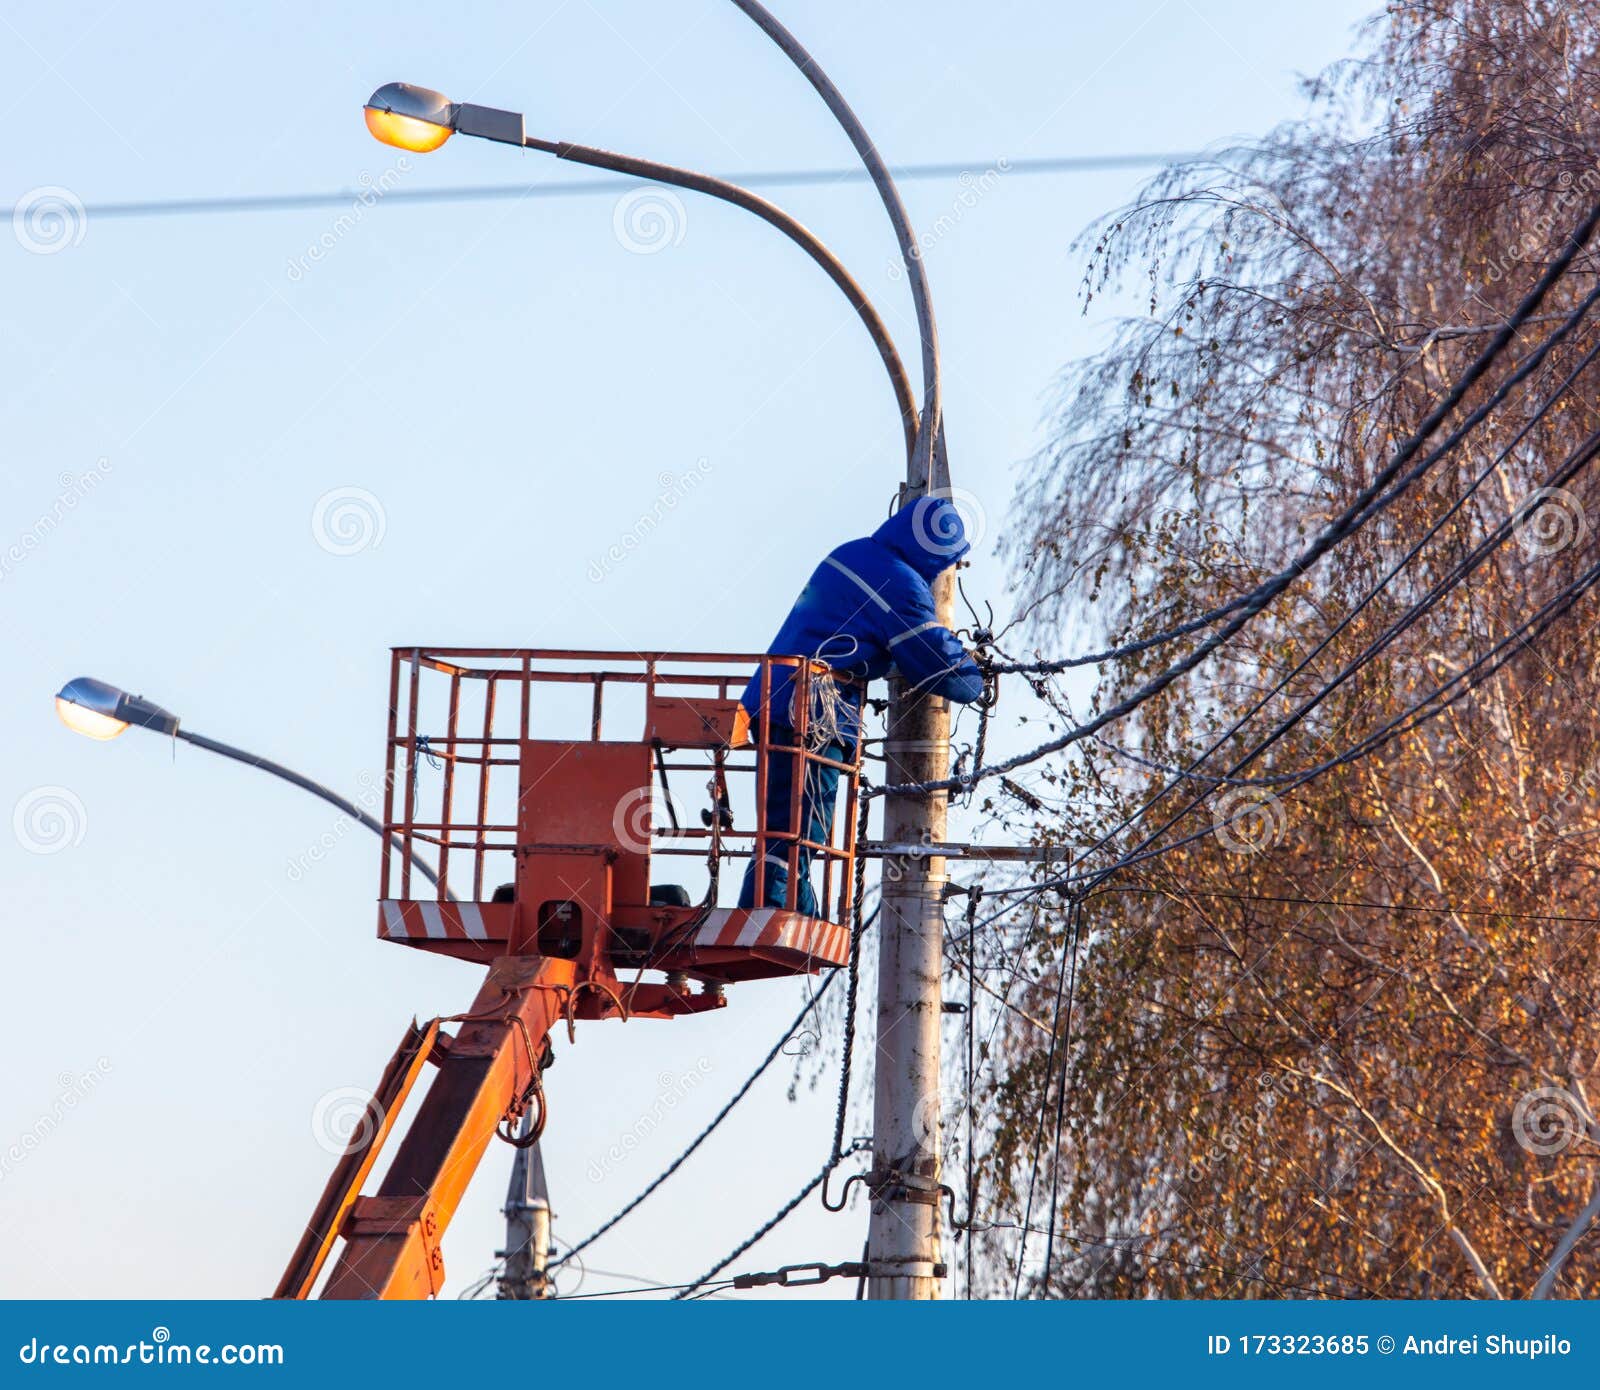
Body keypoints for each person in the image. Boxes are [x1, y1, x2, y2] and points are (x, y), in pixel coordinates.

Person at [738, 494, 986, 913]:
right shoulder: (899, 583)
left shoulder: (854, 553)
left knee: (784, 818)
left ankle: (780, 902)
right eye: (948, 562)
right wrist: (977, 675)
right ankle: (775, 907)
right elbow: (934, 659)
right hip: (814, 706)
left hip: (776, 696)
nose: (945, 571)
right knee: (804, 818)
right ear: (934, 551)